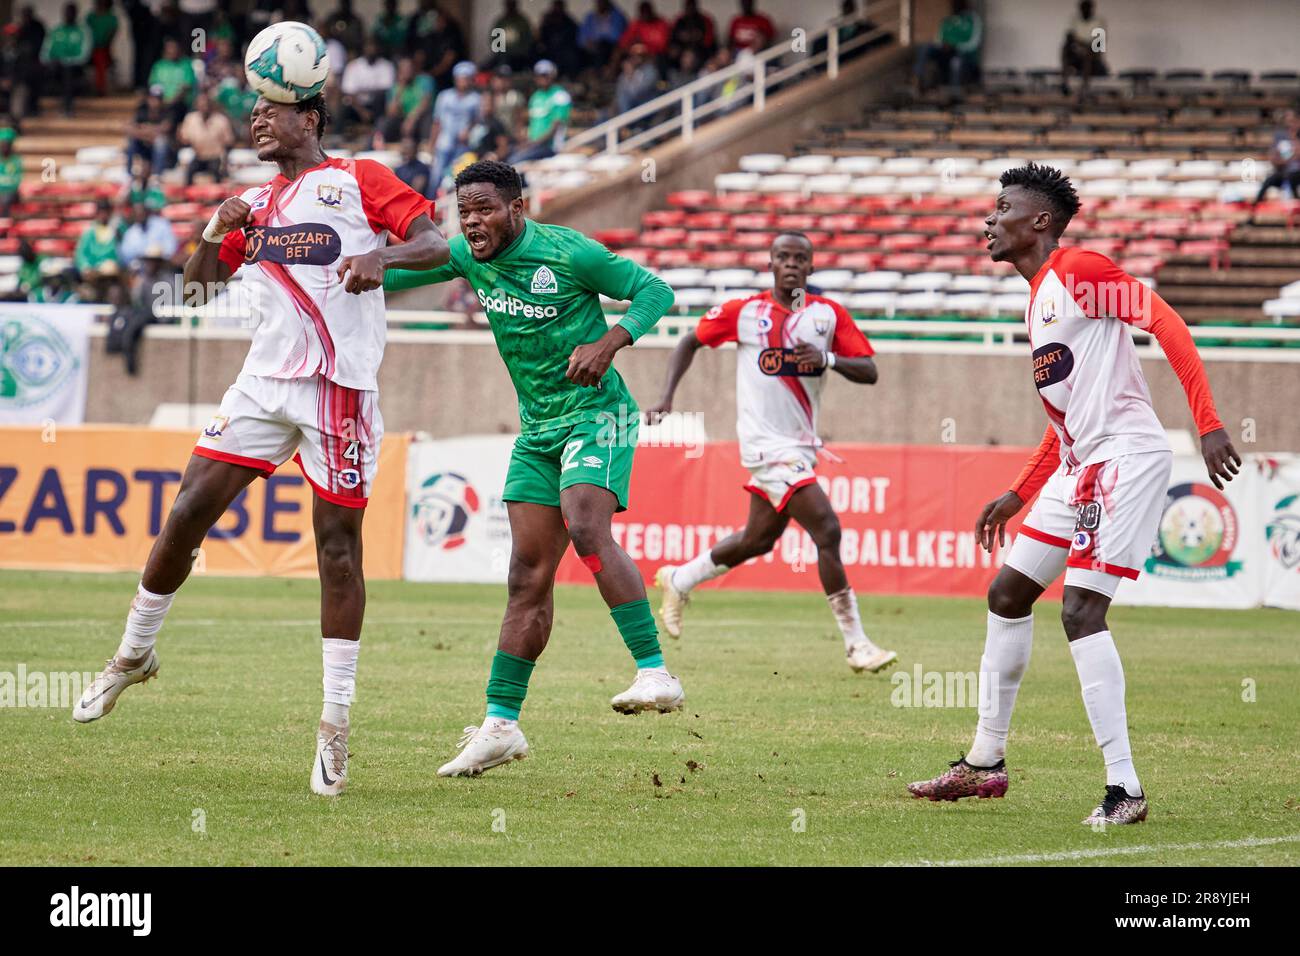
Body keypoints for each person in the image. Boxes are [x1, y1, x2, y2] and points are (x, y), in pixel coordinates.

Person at [69, 93, 450, 801]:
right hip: (262, 387)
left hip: (339, 389)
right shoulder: (253, 204)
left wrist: (381, 255)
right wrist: (214, 232)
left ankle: (335, 726)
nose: (258, 122)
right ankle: (134, 654)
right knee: (186, 512)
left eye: (273, 110)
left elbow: (440, 245)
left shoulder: (358, 179)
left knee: (337, 551)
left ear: (311, 119)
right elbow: (196, 292)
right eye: (252, 113)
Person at [907, 163, 1241, 825]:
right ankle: (984, 763)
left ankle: (1126, 791)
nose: (989, 220)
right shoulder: (1039, 300)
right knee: (1008, 592)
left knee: (1082, 612)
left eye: (1002, 207)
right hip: (1080, 461)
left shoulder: (1080, 270)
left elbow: (1167, 323)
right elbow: (1065, 421)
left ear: (1039, 221)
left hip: (1124, 457)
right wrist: (1017, 492)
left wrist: (1207, 423)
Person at [384, 160, 680, 777]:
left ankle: (655, 673)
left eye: (485, 209)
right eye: (464, 212)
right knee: (526, 575)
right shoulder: (469, 255)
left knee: (585, 522)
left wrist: (609, 342)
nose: (472, 221)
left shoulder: (570, 254)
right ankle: (501, 725)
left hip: (600, 414)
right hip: (538, 430)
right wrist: (355, 268)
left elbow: (657, 291)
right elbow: (403, 274)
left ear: (518, 207)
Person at [645, 232, 897, 674]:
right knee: (829, 530)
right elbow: (689, 341)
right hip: (765, 448)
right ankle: (857, 645)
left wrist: (827, 360)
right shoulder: (745, 313)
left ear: (812, 268)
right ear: (771, 264)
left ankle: (680, 578)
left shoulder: (827, 315)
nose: (792, 264)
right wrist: (667, 397)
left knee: (758, 539)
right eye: (784, 257)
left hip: (799, 447)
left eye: (801, 258)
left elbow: (870, 370)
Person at [507, 59, 570, 164]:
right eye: (540, 75)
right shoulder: (536, 96)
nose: (543, 78)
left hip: (550, 147)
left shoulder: (560, 95)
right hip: (534, 145)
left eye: (546, 75)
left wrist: (533, 144)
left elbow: (555, 127)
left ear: (552, 75)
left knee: (514, 161)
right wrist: (525, 142)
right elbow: (531, 124)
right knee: (506, 154)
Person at [913, 0, 982, 93]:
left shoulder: (973, 19)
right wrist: (943, 45)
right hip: (947, 52)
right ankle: (917, 78)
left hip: (963, 56)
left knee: (956, 62)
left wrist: (954, 45)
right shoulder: (948, 19)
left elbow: (973, 44)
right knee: (925, 47)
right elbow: (938, 39)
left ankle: (954, 91)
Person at [430, 60, 481, 186]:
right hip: (443, 144)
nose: (463, 81)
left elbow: (478, 121)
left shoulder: (476, 99)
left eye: (466, 78)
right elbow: (437, 122)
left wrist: (468, 131)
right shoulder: (444, 96)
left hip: (463, 146)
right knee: (435, 177)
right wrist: (431, 144)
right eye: (460, 78)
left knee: (455, 178)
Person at [40, 3, 90, 117]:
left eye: (71, 12)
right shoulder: (56, 30)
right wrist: (50, 61)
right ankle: (32, 110)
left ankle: (68, 109)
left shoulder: (83, 31)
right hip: (54, 66)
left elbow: (84, 56)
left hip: (75, 67)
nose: (69, 15)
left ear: (76, 14)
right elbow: (44, 53)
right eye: (67, 12)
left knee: (67, 71)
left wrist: (65, 61)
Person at [376, 56, 435, 149]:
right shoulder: (395, 87)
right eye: (403, 69)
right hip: (403, 118)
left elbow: (425, 103)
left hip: (419, 117)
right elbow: (391, 112)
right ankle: (380, 144)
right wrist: (401, 89)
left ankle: (426, 145)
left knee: (428, 115)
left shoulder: (425, 80)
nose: (407, 71)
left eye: (409, 68)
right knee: (384, 120)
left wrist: (410, 119)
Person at [340, 37, 396, 133]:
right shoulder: (353, 66)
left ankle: (378, 132)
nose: (371, 49)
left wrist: (363, 92)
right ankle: (341, 135)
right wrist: (362, 111)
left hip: (377, 106)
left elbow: (385, 90)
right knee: (343, 104)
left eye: (374, 47)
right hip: (357, 105)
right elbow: (349, 92)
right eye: (368, 47)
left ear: (379, 48)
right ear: (363, 48)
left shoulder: (387, 66)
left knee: (380, 97)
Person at [178, 92, 235, 184]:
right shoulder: (191, 119)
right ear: (197, 106)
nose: (204, 107)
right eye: (201, 105)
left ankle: (218, 196)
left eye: (206, 105)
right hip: (198, 157)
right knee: (188, 174)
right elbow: (184, 139)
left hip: (215, 157)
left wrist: (224, 160)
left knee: (217, 175)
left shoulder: (221, 120)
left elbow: (229, 142)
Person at [73, 198, 121, 295]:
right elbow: (81, 254)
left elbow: (118, 253)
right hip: (93, 272)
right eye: (101, 212)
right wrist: (86, 267)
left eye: (106, 212)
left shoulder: (117, 231)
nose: (104, 215)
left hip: (110, 273)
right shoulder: (89, 232)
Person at [124, 86, 174, 177]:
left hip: (162, 150)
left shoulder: (167, 111)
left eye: (158, 99)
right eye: (153, 98)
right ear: (148, 99)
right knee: (131, 141)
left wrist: (144, 129)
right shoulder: (142, 110)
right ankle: (128, 175)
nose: (155, 101)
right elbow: (128, 128)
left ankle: (157, 176)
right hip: (144, 144)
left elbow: (165, 128)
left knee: (161, 142)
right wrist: (149, 133)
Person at [1253, 110, 1300, 206]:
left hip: (1296, 173)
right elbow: (1274, 157)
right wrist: (1286, 159)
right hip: (1284, 171)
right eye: (1287, 121)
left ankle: (1296, 206)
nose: (1290, 124)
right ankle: (1254, 210)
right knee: (1269, 180)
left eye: (1292, 121)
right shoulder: (1280, 137)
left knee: (1292, 177)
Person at [1061, 0, 1107, 93]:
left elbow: (1099, 44)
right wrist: (1080, 45)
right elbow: (1070, 37)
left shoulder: (1099, 21)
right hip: (1077, 52)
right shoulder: (1075, 20)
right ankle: (1065, 83)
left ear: (1091, 9)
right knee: (1065, 49)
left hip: (1093, 55)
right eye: (1082, 9)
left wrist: (1084, 45)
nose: (1084, 11)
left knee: (1088, 52)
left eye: (1087, 9)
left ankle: (1084, 87)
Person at [148, 37, 196, 126]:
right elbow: (153, 86)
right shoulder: (159, 65)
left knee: (173, 111)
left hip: (179, 104)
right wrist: (157, 102)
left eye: (174, 47)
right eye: (169, 47)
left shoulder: (186, 65)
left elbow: (186, 88)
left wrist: (170, 102)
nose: (172, 50)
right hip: (160, 103)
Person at [117, 198, 177, 268]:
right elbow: (127, 256)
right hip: (142, 269)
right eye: (137, 214)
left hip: (162, 265)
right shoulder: (131, 233)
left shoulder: (162, 225)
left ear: (147, 212)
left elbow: (170, 248)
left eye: (142, 213)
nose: (140, 216)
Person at [578, 0, 628, 72]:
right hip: (591, 48)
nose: (599, 4)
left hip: (610, 47)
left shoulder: (617, 17)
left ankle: (600, 73)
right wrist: (587, 42)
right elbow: (581, 37)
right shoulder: (590, 17)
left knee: (602, 46)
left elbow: (617, 36)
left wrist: (598, 40)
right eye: (598, 2)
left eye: (601, 2)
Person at [536, 1, 581, 79]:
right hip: (549, 50)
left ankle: (571, 78)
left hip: (565, 51)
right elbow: (541, 38)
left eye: (559, 8)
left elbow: (573, 39)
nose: (557, 10)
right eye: (555, 8)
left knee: (571, 56)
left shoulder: (569, 23)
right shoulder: (547, 22)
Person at [489, 0, 535, 73]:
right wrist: (501, 53)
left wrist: (521, 52)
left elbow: (528, 40)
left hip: (520, 57)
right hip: (503, 56)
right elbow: (494, 41)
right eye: (509, 5)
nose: (510, 8)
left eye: (512, 5)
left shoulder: (522, 21)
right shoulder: (501, 22)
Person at [669, 0, 716, 69]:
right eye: (688, 7)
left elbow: (709, 40)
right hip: (682, 48)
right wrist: (682, 38)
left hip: (700, 48)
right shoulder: (680, 20)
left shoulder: (704, 20)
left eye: (692, 6)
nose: (690, 9)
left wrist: (695, 37)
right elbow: (673, 37)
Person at [85, 0, 118, 96]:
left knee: (100, 57)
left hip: (104, 48)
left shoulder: (111, 17)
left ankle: (100, 89)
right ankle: (96, 88)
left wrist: (104, 44)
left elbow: (112, 33)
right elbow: (85, 32)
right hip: (88, 49)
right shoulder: (90, 17)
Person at [0, 126, 20, 217]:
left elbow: (15, 182)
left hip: (10, 193)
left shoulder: (15, 161)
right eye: (2, 145)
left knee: (5, 199)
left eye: (6, 145)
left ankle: (3, 223)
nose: (4, 147)